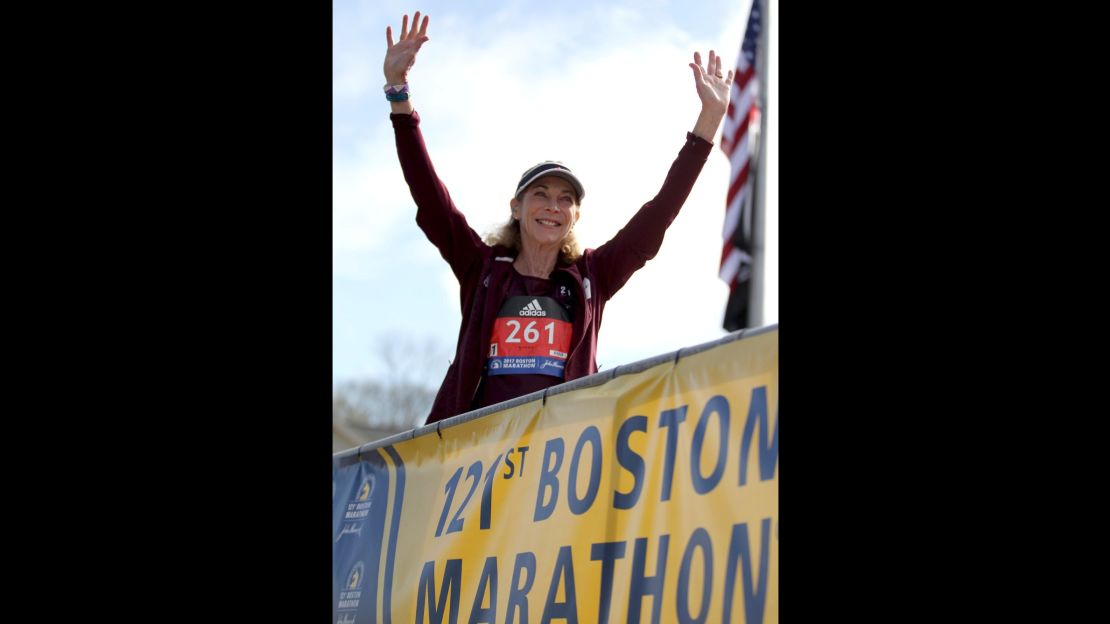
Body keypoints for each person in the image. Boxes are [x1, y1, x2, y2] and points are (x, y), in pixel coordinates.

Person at [383, 11, 734, 425]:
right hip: (477, 459)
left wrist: (708, 122)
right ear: (516, 207)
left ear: (574, 215)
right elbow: (430, 196)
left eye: (565, 199)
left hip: (560, 465)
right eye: (541, 195)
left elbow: (657, 215)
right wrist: (398, 94)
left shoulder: (593, 276)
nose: (553, 205)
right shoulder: (483, 269)